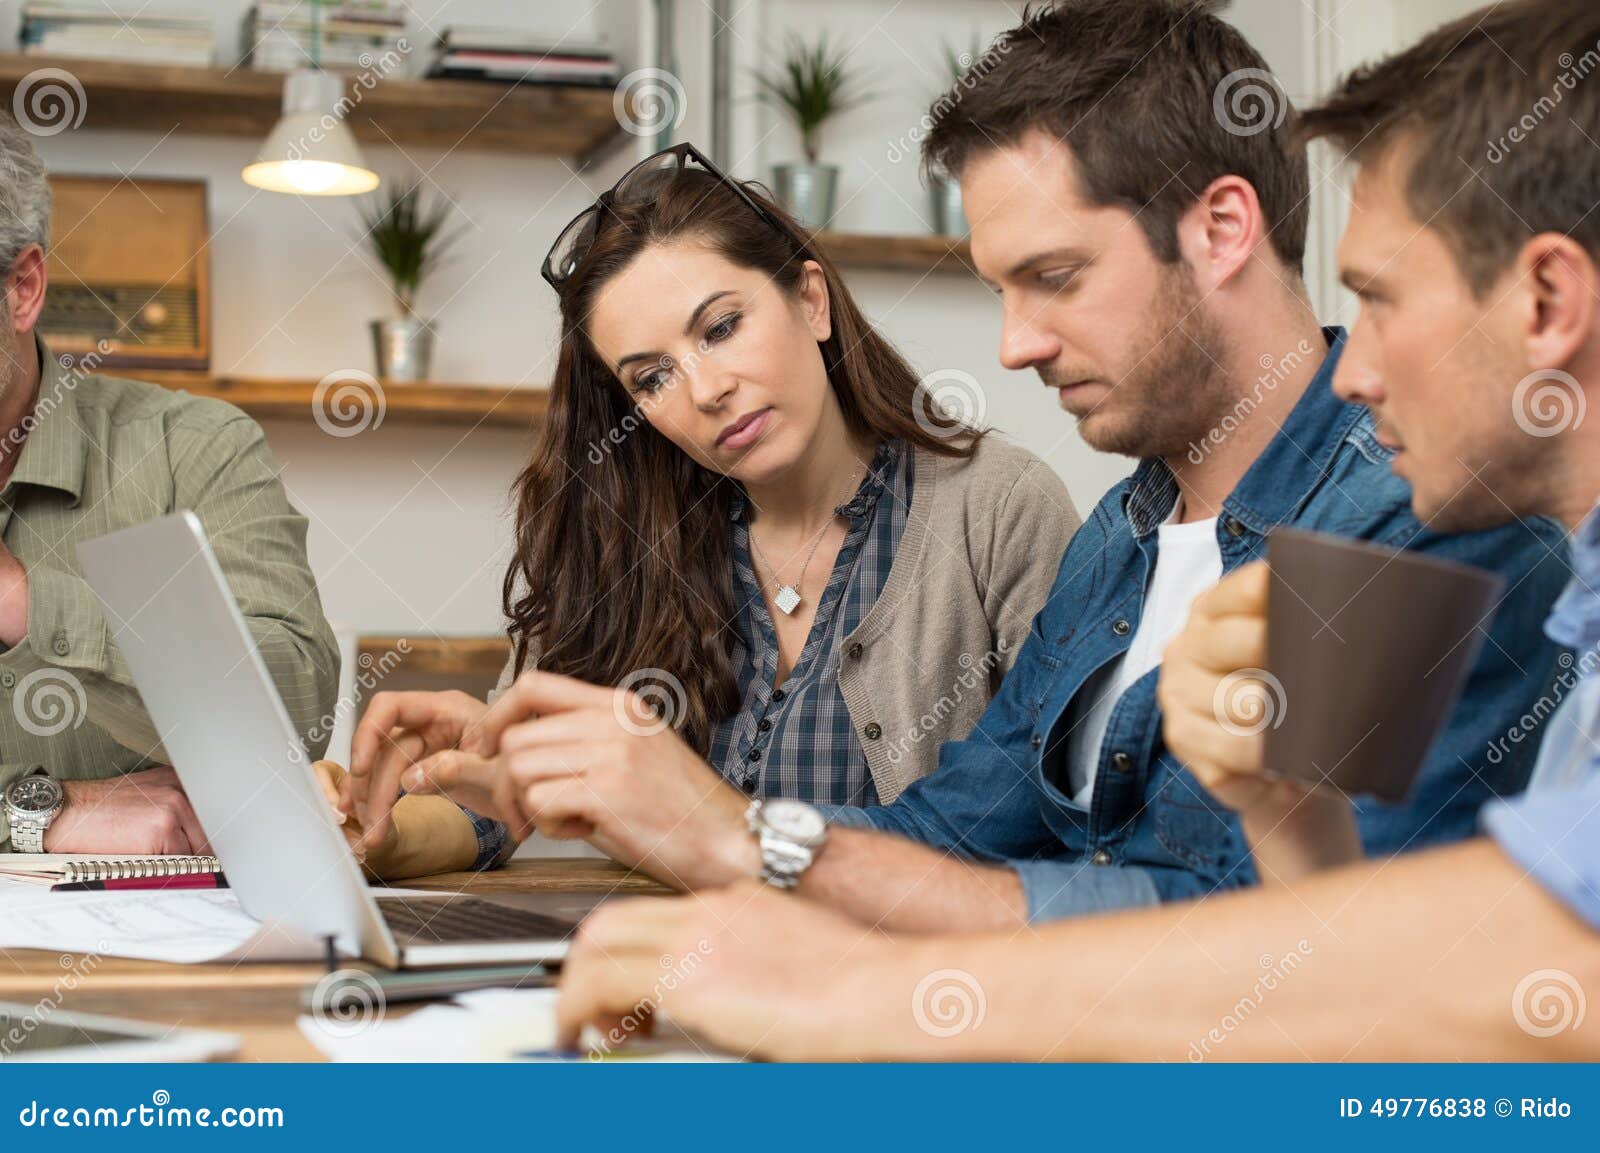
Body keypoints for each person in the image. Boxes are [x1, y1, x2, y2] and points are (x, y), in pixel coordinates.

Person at [553, 0, 1600, 1061]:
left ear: (1222, 229)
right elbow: (960, 835)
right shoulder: (1118, 533)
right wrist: (730, 838)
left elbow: (1309, 967)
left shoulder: (1415, 516)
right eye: (1001, 290)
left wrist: (840, 957)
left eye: (1054, 278)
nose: (1013, 346)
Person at [339, 143, 1078, 870]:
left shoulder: (997, 507)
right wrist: (373, 831)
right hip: (663, 949)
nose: (707, 390)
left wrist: (698, 814)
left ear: (811, 301)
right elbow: (494, 804)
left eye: (721, 328)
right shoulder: (625, 532)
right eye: (652, 378)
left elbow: (1046, 825)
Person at [0, 110, 339, 857]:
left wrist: (26, 601)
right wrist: (43, 814)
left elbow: (297, 715)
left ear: (23, 288)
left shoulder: (194, 449)